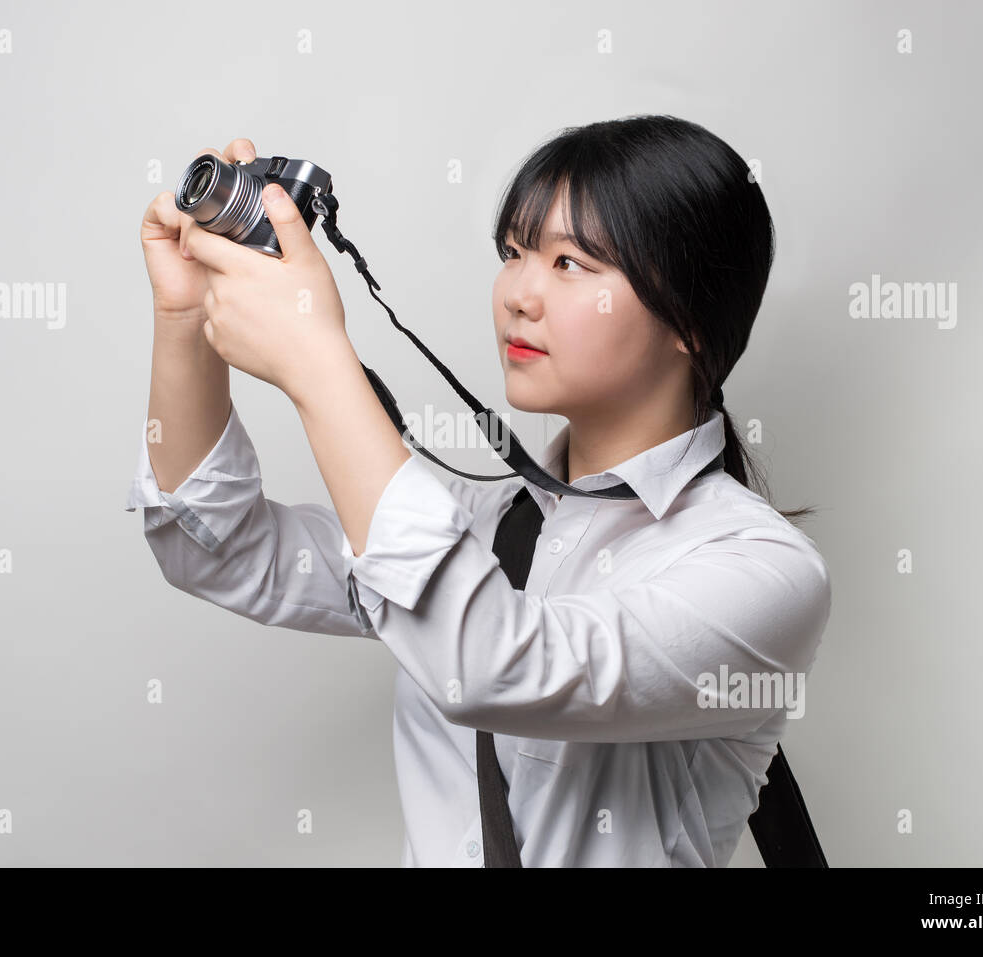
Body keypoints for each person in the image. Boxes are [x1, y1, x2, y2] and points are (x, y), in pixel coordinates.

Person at [125, 115, 832, 867]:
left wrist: (317, 362)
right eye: (516, 252)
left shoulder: (764, 571)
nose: (519, 294)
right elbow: (216, 548)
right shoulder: (485, 525)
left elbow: (492, 662)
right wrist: (183, 316)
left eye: (571, 264)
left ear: (690, 316)